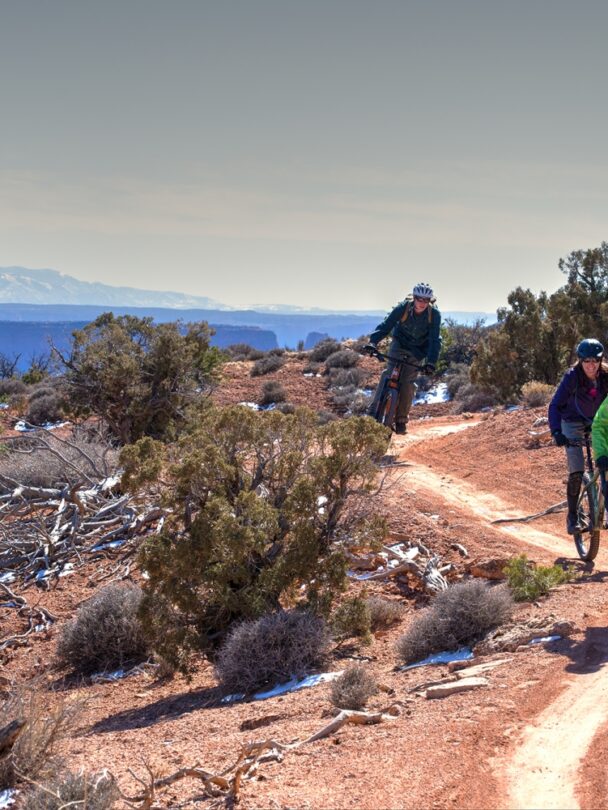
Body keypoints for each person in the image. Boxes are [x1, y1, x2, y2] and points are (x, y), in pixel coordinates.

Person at [364, 282, 442, 434]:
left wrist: (431, 362)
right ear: (414, 298)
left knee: (408, 383)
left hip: (418, 350)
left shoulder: (434, 315)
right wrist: (373, 342)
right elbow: (387, 325)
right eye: (419, 299)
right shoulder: (403, 308)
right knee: (388, 374)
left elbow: (434, 340)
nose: (422, 303)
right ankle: (373, 412)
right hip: (399, 344)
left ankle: (401, 420)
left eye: (426, 300)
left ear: (430, 301)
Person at [548, 338, 608, 534]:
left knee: (605, 461)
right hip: (572, 422)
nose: (591, 365)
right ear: (580, 361)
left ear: (600, 360)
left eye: (595, 360)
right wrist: (557, 431)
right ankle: (573, 515)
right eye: (586, 361)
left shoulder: (606, 376)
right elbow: (555, 405)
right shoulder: (572, 377)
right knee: (577, 470)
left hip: (598, 421)